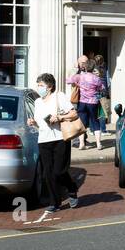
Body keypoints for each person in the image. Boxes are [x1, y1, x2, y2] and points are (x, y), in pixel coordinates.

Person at [27, 73, 77, 210]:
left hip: (60, 138)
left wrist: (59, 117)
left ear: (50, 86)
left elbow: (74, 114)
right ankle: (54, 203)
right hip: (43, 140)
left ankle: (71, 188)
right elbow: (40, 123)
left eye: (41, 85)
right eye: (38, 85)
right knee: (48, 173)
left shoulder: (59, 97)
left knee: (59, 171)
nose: (39, 88)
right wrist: (33, 122)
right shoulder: (37, 102)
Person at [67, 56, 104, 150]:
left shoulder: (80, 76)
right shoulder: (96, 78)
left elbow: (68, 80)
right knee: (95, 122)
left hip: (82, 102)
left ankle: (81, 144)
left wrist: (76, 77)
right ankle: (99, 144)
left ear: (86, 67)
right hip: (93, 103)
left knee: (82, 123)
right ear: (93, 67)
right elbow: (102, 88)